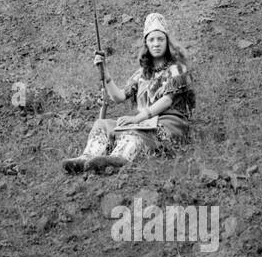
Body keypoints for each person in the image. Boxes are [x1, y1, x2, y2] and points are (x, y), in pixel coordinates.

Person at [62, 12, 195, 174]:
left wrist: (137, 118)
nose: (156, 43)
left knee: (134, 129)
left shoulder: (177, 69)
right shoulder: (141, 74)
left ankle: (118, 160)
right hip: (144, 123)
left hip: (168, 125)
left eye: (161, 39)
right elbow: (118, 97)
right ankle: (86, 159)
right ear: (146, 43)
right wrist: (105, 72)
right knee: (102, 124)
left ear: (167, 42)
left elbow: (167, 100)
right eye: (151, 39)